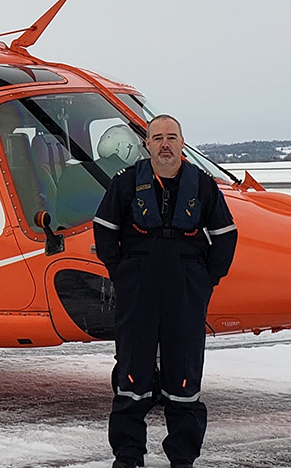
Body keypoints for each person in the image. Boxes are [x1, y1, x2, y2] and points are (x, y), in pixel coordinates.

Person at [92, 115, 238, 468]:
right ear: (146, 144)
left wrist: (206, 279)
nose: (165, 144)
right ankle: (128, 454)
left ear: (182, 142)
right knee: (131, 369)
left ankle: (183, 455)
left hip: (185, 285)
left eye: (171, 137)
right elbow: (104, 229)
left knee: (184, 369)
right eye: (157, 138)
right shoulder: (127, 183)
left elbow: (225, 235)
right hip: (138, 285)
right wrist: (123, 273)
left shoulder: (202, 185)